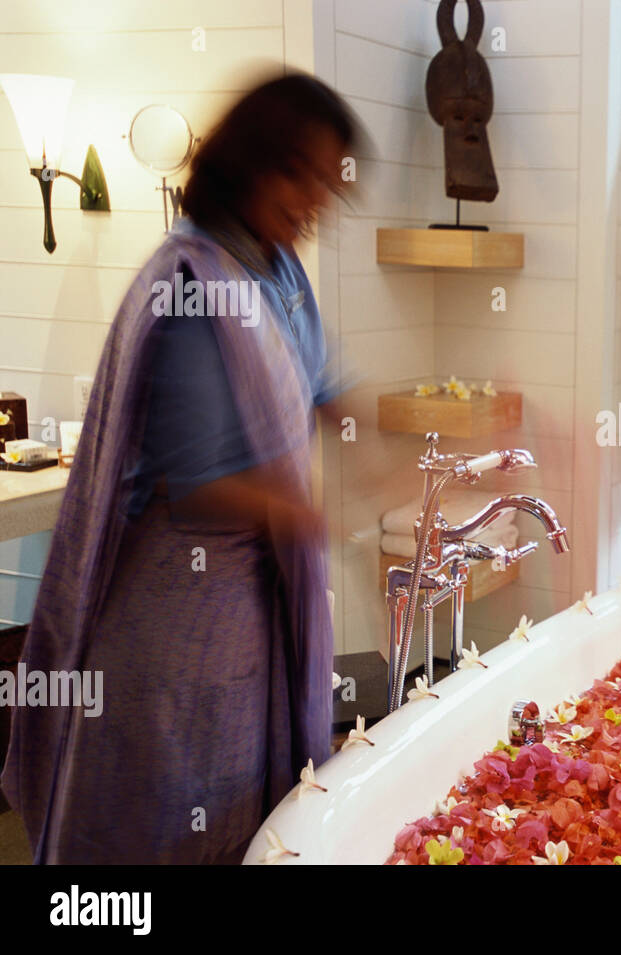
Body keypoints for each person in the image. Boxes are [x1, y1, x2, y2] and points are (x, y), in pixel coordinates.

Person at [1, 72, 360, 863]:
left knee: (248, 819)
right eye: (300, 174)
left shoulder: (280, 271)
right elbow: (201, 485)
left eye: (327, 186)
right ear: (250, 161)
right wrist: (314, 518)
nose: (314, 203)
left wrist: (430, 414)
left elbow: (328, 389)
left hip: (253, 612)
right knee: (174, 827)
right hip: (180, 624)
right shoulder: (191, 284)